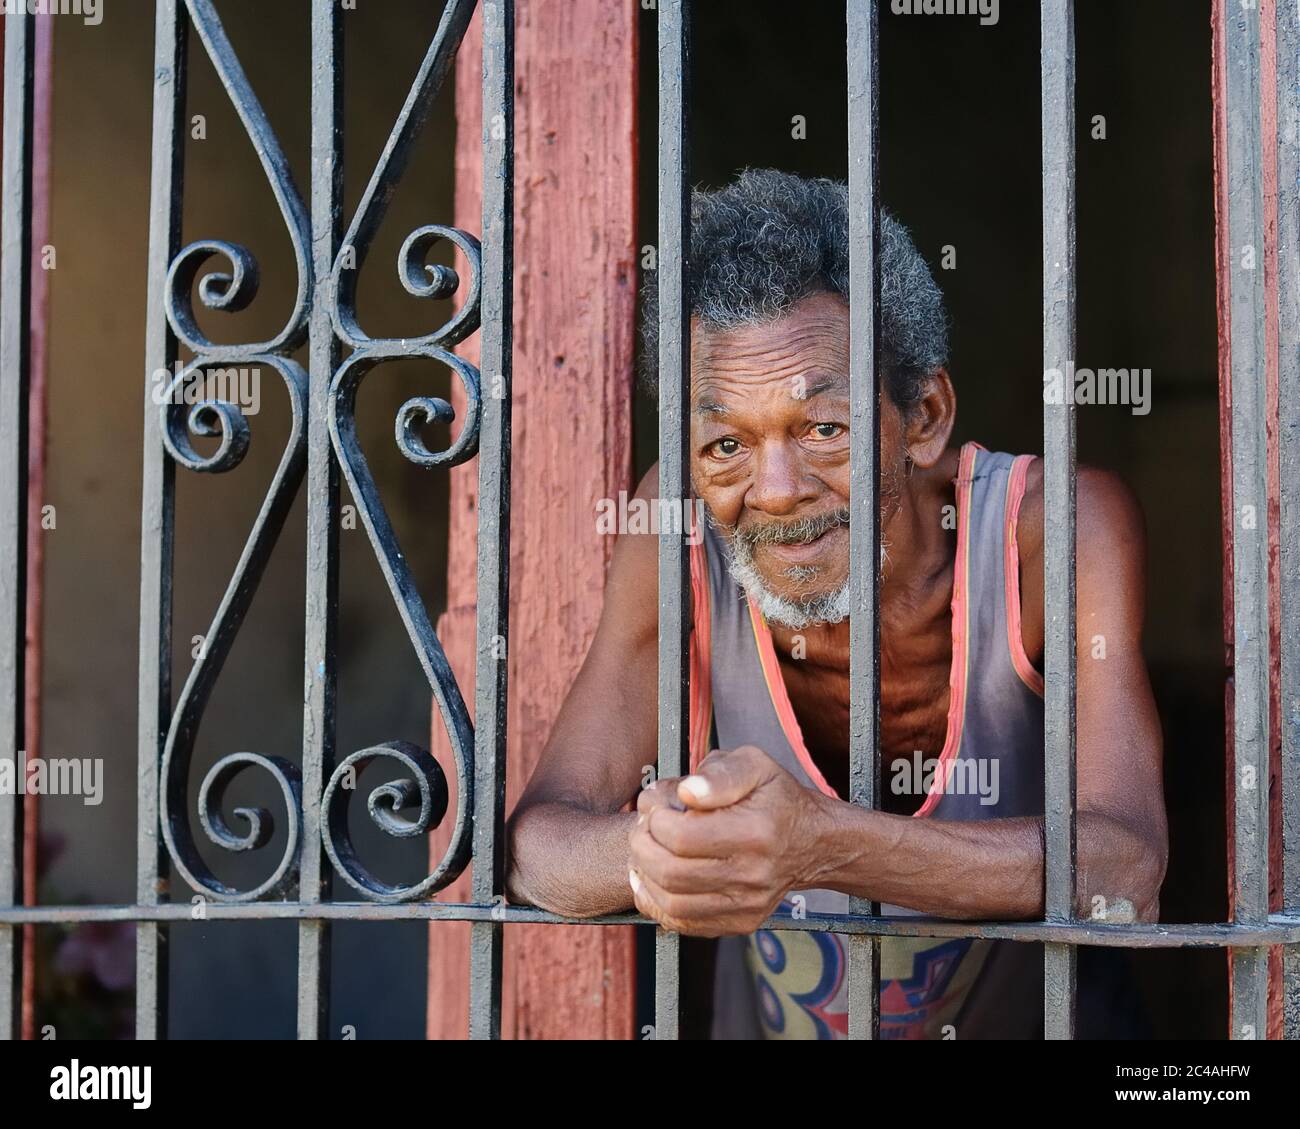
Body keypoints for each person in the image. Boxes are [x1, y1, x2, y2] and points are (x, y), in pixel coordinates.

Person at [504, 168, 1167, 1039]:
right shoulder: (678, 530)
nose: (774, 490)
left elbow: (1127, 867)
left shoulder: (1057, 533)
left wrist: (821, 842)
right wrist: (649, 855)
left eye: (824, 429)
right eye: (726, 443)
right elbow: (533, 849)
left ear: (924, 416)